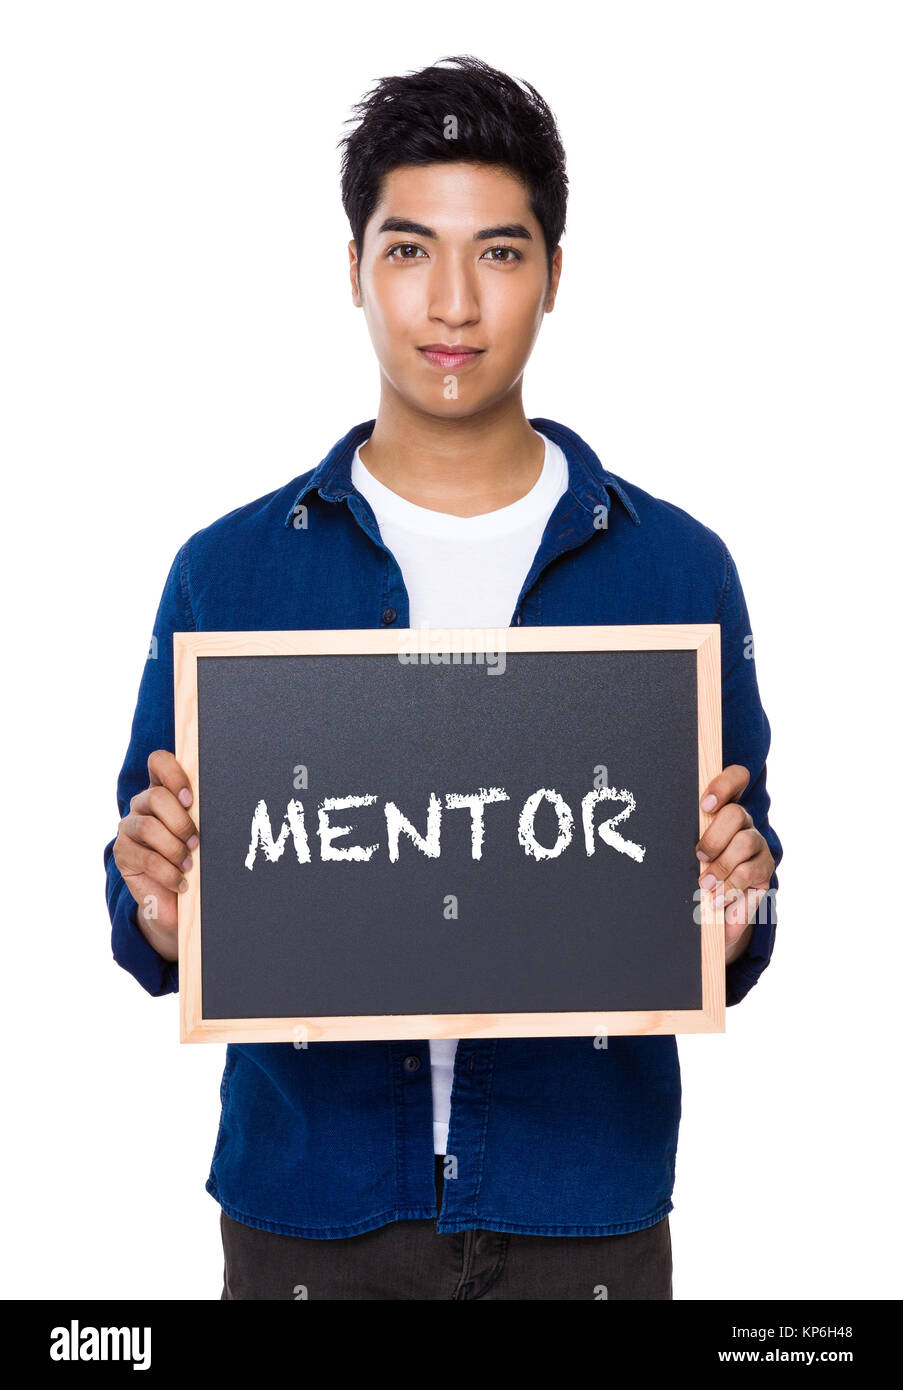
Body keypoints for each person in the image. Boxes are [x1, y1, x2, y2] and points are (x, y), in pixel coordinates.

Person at [103, 54, 782, 1301]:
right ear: (353, 270)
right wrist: (158, 898)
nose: (454, 303)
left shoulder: (678, 572)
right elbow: (149, 914)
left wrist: (730, 906)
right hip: (311, 1216)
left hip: (585, 1210)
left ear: (556, 275)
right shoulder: (230, 573)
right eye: (410, 250)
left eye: (502, 253)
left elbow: (736, 913)